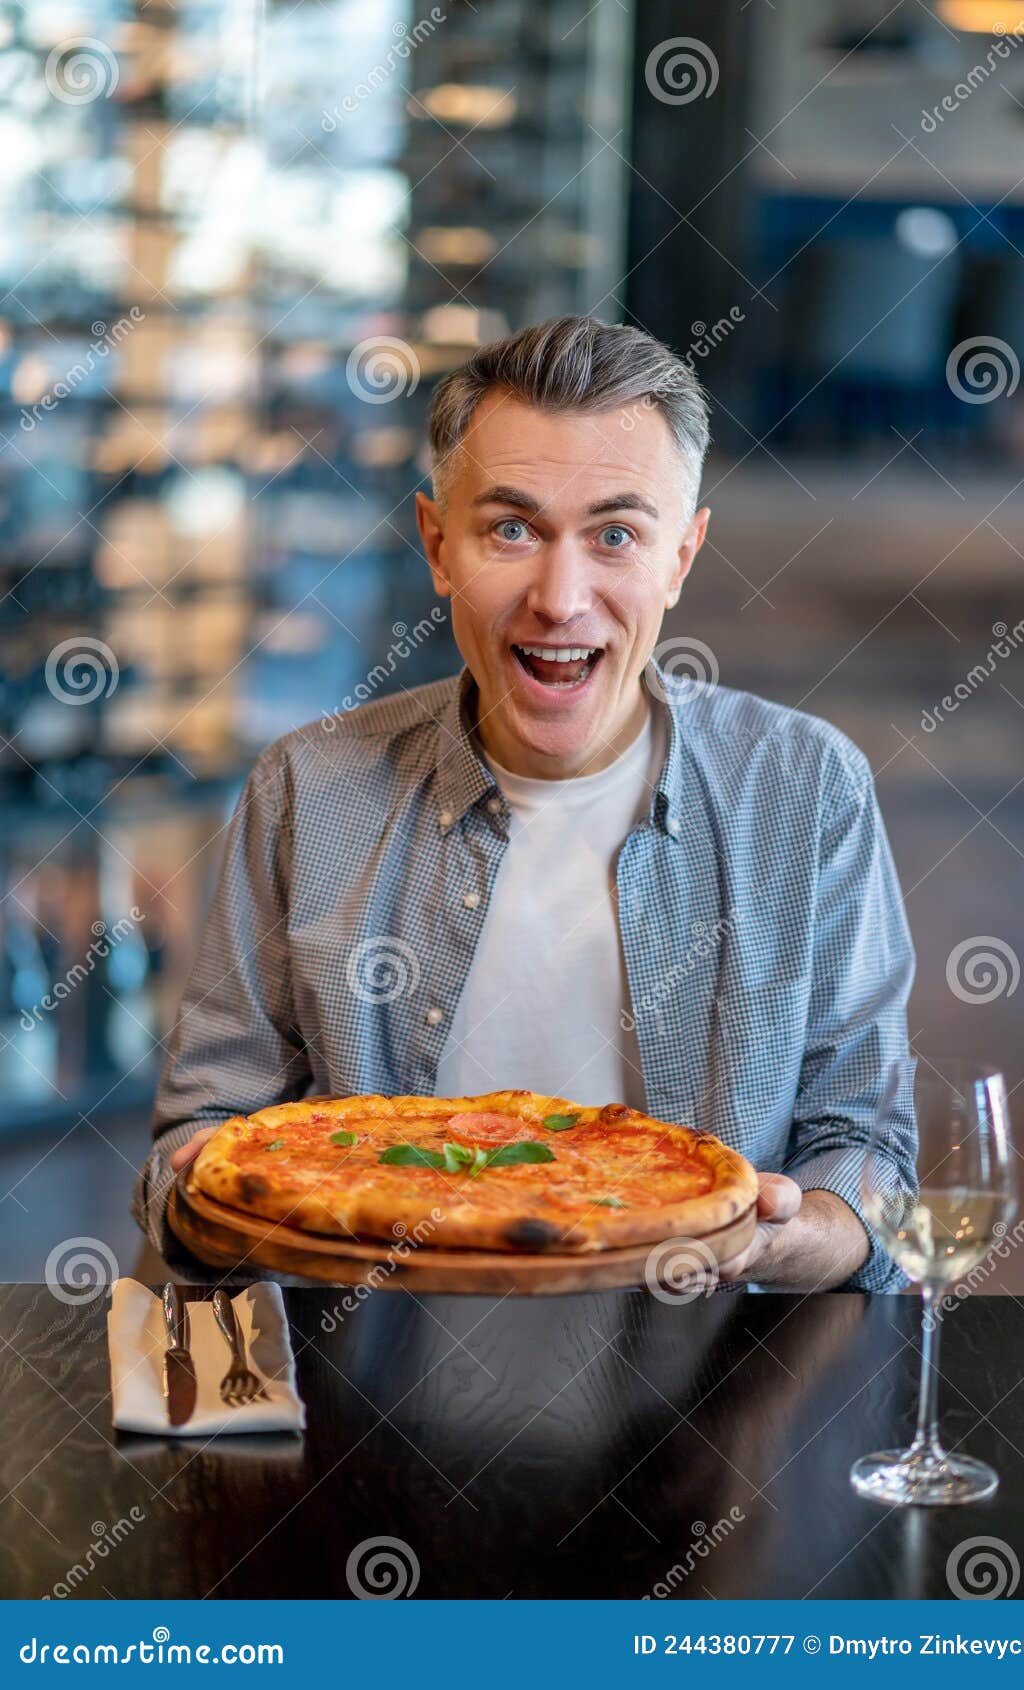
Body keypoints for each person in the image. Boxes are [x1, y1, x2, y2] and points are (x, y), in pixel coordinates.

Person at [134, 314, 916, 1289]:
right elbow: (200, 1142)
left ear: (680, 558)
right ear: (437, 545)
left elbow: (868, 1153)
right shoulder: (307, 787)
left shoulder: (806, 787)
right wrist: (202, 1203)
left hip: (701, 1360)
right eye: (512, 529)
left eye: (615, 535)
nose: (559, 597)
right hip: (366, 1354)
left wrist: (775, 1241)